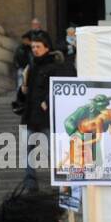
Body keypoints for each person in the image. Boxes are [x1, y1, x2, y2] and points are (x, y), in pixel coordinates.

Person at [21, 32, 73, 191]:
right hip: (30, 116)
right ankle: (30, 184)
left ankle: (60, 185)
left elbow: (63, 88)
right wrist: (23, 88)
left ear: (47, 48)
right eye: (33, 47)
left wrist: (48, 102)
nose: (35, 50)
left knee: (54, 151)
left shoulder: (56, 67)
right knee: (27, 150)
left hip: (48, 117)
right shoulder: (30, 67)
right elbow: (26, 94)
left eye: (38, 46)